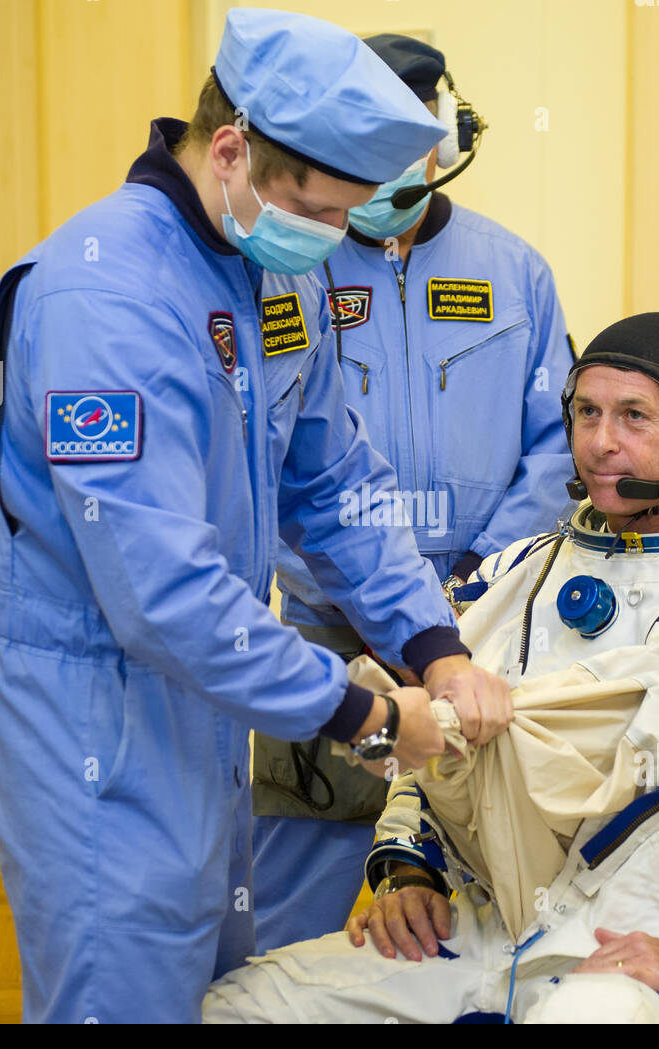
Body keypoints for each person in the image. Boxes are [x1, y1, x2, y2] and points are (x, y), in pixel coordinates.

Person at [0, 7, 512, 1024]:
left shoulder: (270, 270)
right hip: (99, 711)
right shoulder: (105, 299)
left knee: (215, 987)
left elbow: (334, 482)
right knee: (119, 985)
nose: (332, 239)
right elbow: (159, 594)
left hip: (211, 706)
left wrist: (431, 644)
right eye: (319, 210)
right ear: (230, 150)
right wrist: (366, 714)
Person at [204, 311, 659, 1024]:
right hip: (487, 935)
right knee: (241, 1006)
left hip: (657, 948)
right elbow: (440, 755)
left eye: (634, 417)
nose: (601, 442)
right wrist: (408, 871)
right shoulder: (507, 581)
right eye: (586, 412)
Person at [252, 34, 575, 951]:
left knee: (466, 893)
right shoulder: (290, 267)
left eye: (411, 151)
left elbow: (557, 449)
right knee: (290, 900)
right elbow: (271, 464)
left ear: (446, 142)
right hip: (328, 639)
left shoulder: (515, 273)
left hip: (482, 639)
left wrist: (470, 589)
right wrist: (370, 604)